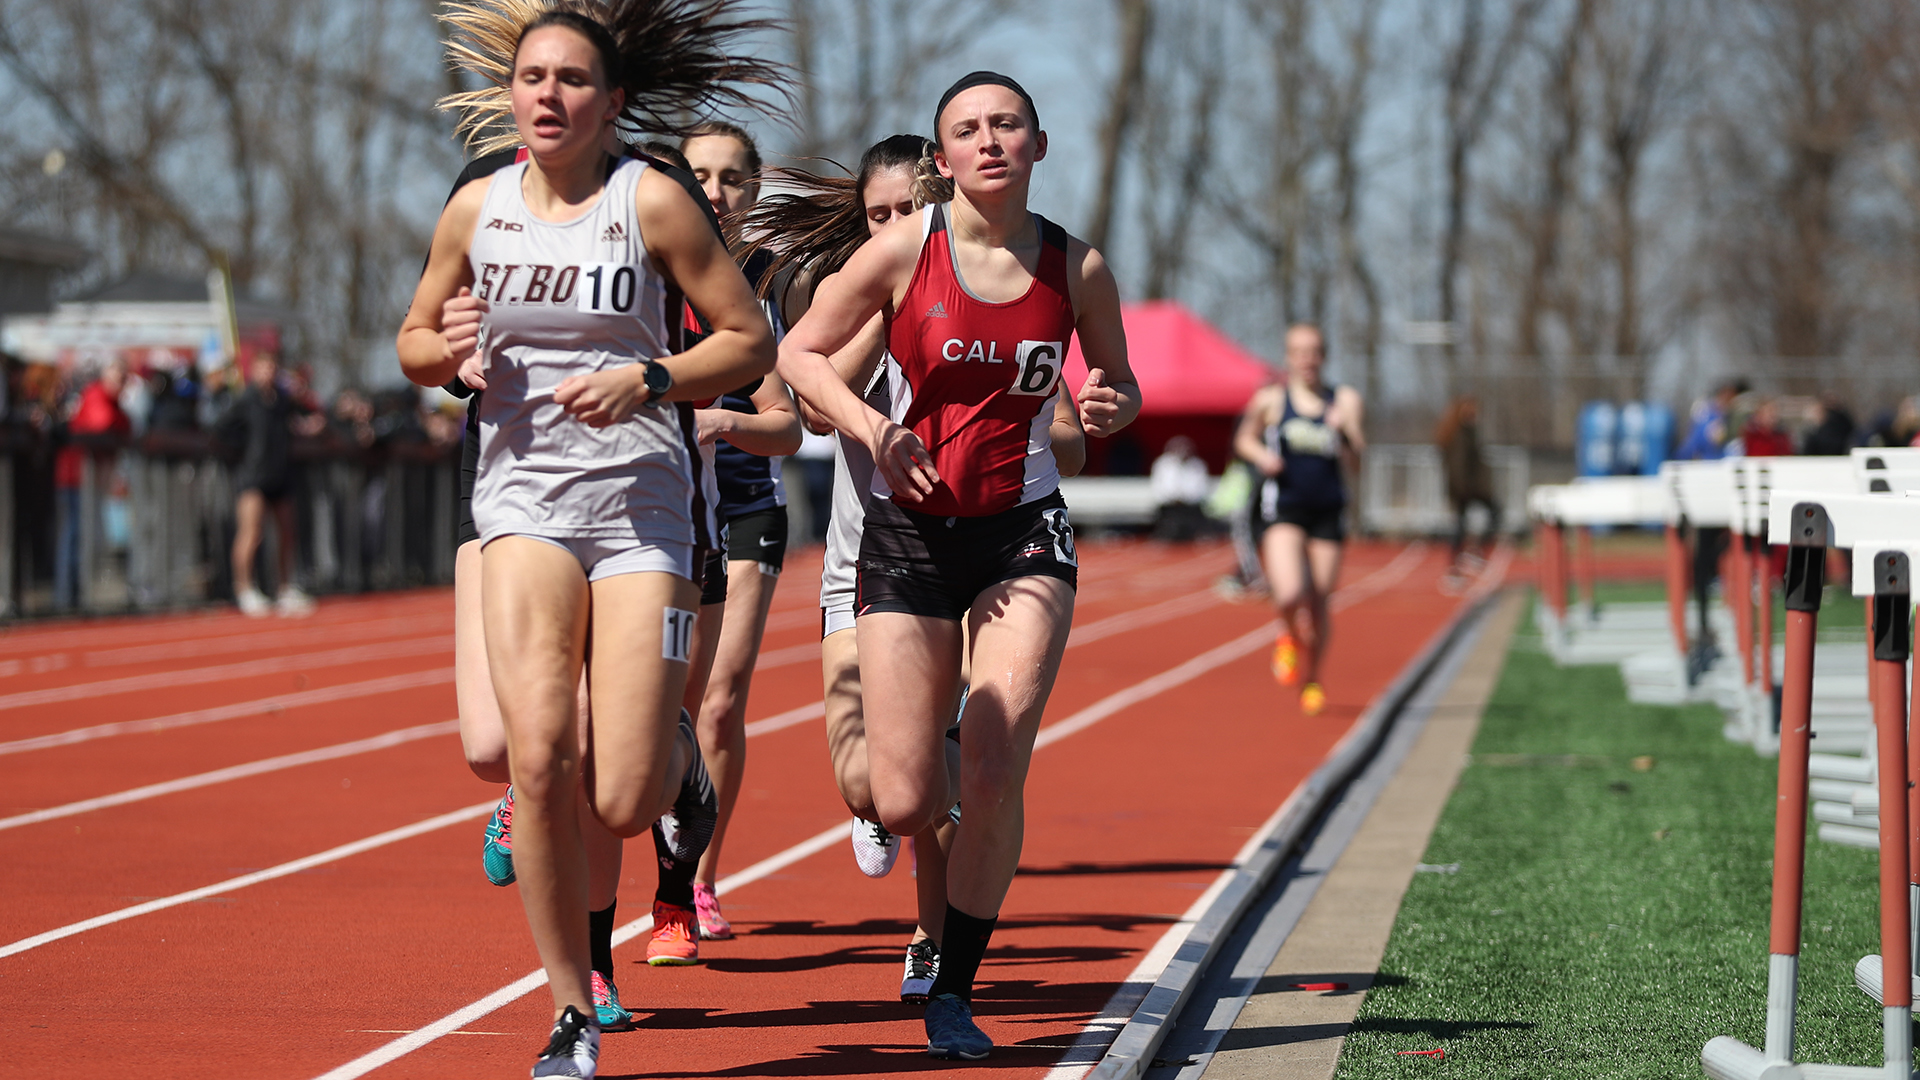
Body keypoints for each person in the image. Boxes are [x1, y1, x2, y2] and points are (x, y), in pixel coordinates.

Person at [399, 4, 779, 1075]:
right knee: (536, 759)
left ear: (613, 104)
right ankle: (570, 1008)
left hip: (642, 516)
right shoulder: (476, 208)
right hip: (522, 507)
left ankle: (676, 770)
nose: (550, 94)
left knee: (621, 795)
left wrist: (650, 376)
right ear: (513, 96)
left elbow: (746, 339)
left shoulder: (649, 200)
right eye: (534, 77)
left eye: (573, 79)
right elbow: (414, 335)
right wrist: (450, 355)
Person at [776, 73, 1140, 1059]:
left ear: (1038, 144)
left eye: (1007, 125)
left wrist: (1111, 408)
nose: (989, 142)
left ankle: (954, 987)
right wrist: (873, 427)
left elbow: (1118, 386)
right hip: (906, 535)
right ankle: (933, 813)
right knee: (901, 795)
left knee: (991, 755)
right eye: (967, 131)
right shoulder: (905, 249)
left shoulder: (1077, 268)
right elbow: (803, 361)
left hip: (1022, 532)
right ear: (942, 160)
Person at [738, 131, 1088, 1003]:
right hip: (868, 560)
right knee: (879, 786)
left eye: (907, 209)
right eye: (877, 216)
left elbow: (1073, 439)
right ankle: (917, 779)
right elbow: (812, 412)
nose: (894, 225)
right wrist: (886, 329)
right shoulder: (857, 299)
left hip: (979, 553)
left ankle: (934, 937)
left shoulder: (998, 294)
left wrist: (1037, 421)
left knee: (968, 765)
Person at [674, 120, 806, 944]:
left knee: (719, 705)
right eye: (700, 176)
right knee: (668, 709)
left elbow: (789, 425)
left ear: (755, 192)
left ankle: (695, 881)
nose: (716, 193)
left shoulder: (771, 278)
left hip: (745, 507)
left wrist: (725, 420)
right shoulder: (645, 269)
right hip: (656, 512)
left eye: (732, 179)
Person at [1232, 324, 1364, 716]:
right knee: (1290, 593)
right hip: (1285, 508)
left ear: (1324, 356)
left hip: (1327, 510)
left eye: (1315, 351)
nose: (1308, 359)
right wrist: (1261, 457)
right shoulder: (1272, 400)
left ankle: (1313, 677)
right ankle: (1288, 633)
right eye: (1300, 352)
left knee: (1321, 601)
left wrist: (1345, 434)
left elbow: (1358, 462)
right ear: (1288, 357)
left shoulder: (1345, 400)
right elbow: (1243, 439)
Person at [220, 352, 322, 617]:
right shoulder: (245, 400)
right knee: (251, 532)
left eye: (272, 367)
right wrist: (240, 454)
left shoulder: (282, 400)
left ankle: (284, 587)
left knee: (288, 532)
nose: (268, 372)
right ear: (254, 370)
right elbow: (221, 428)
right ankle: (244, 589)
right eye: (263, 367)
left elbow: (304, 416)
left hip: (280, 472)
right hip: (253, 475)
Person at [52, 358, 130, 611]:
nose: (119, 382)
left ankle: (78, 593)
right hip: (75, 478)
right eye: (115, 375)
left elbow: (125, 425)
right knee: (73, 535)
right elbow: (103, 424)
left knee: (86, 535)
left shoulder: (113, 401)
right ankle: (67, 597)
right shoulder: (96, 395)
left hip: (89, 480)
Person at [1435, 394, 1498, 583]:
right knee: (1460, 527)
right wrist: (1463, 488)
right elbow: (1457, 465)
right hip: (1464, 488)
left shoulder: (1469, 431)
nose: (1475, 413)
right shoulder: (1457, 434)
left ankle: (1470, 552)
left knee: (1467, 524)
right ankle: (1457, 565)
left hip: (1469, 487)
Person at [1148, 435, 1211, 541]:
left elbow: (1200, 489)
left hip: (1190, 507)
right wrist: (1173, 497)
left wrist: (1185, 498)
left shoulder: (1197, 464)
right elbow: (1159, 487)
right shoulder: (1163, 464)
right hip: (1169, 506)